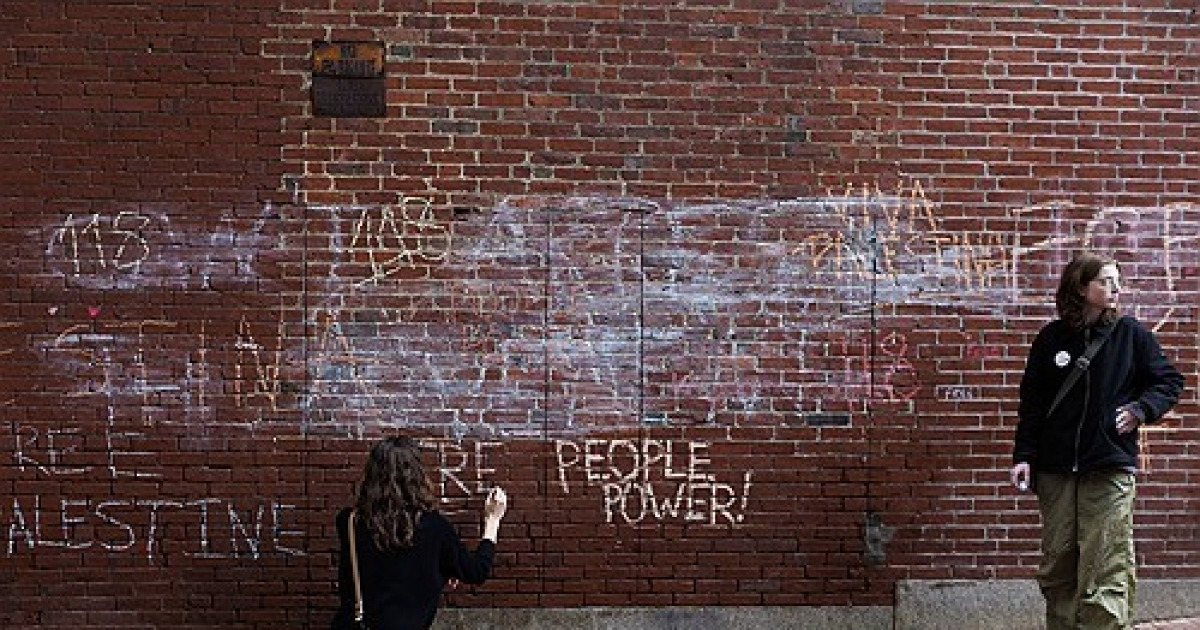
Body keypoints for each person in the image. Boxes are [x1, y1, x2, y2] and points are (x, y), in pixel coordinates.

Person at [1010, 252, 1184, 630]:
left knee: (1105, 560)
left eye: (1117, 280)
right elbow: (1033, 403)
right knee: (1059, 561)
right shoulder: (1051, 339)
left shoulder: (1131, 334)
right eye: (1105, 280)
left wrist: (1142, 409)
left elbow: (1169, 381)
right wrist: (1024, 455)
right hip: (1056, 468)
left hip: (1108, 465)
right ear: (1080, 286)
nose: (1115, 288)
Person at [331, 436, 508, 630]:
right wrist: (492, 520)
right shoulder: (434, 527)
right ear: (417, 475)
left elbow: (383, 568)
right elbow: (476, 571)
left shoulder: (349, 522)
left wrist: (439, 566)